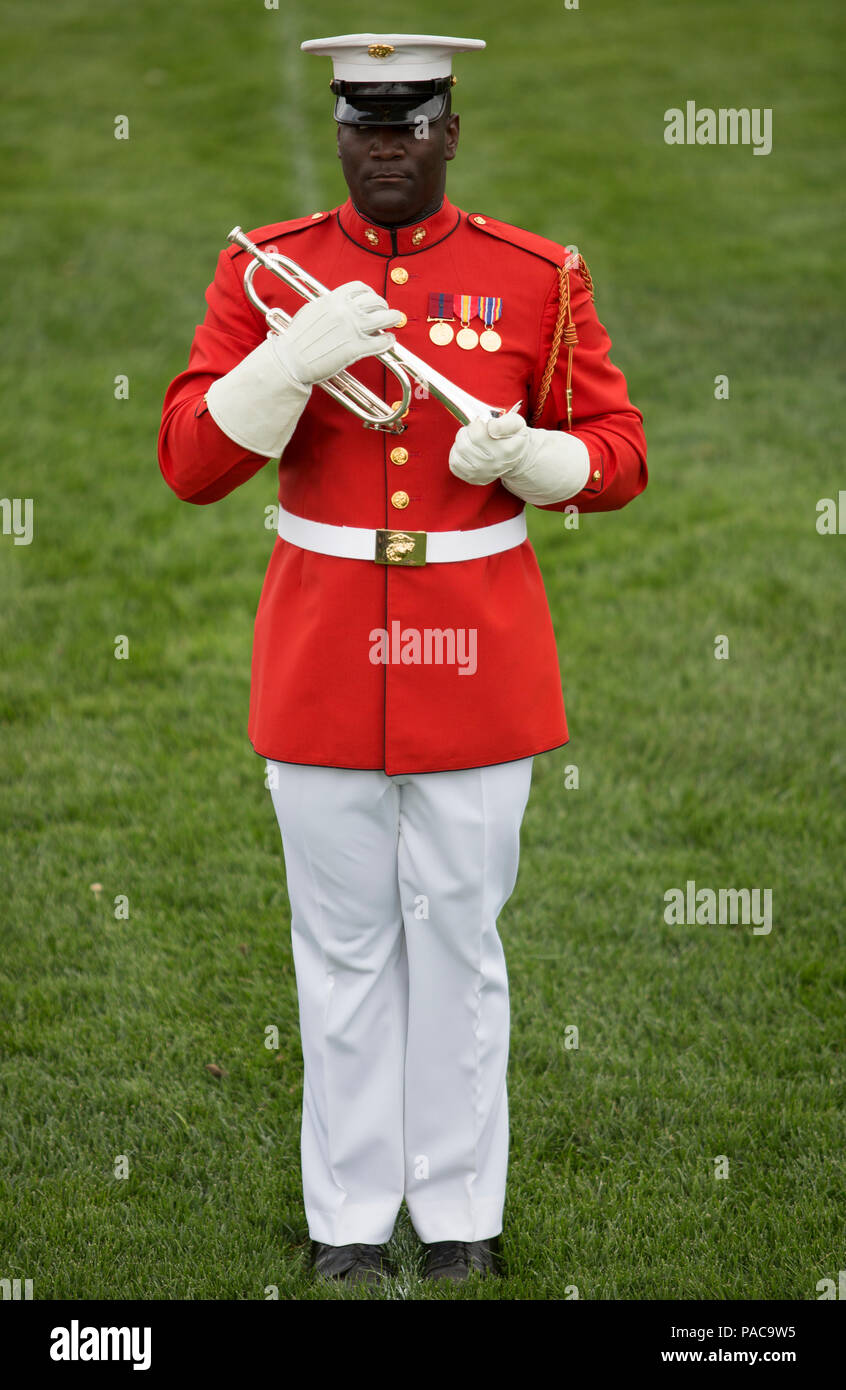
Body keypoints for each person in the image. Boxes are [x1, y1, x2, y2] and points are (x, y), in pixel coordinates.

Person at [158, 32, 647, 1287]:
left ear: (450, 130)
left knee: (462, 943)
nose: (386, 145)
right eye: (365, 125)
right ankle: (348, 1221)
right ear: (337, 131)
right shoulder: (268, 270)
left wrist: (542, 465)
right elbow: (191, 466)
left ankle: (461, 1217)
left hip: (479, 652)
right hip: (322, 647)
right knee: (340, 949)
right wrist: (284, 363)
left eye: (410, 122)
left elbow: (620, 449)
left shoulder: (534, 275)